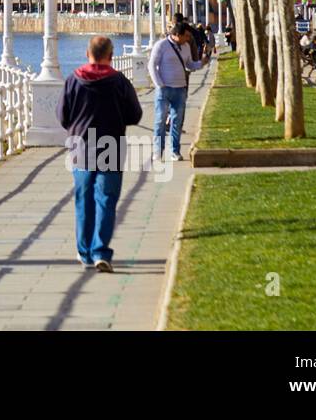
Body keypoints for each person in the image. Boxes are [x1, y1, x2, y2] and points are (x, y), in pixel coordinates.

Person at [56, 35, 142, 273]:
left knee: (84, 200)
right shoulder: (119, 82)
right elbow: (135, 114)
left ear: (87, 53)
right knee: (106, 199)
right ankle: (100, 251)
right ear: (111, 56)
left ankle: (84, 252)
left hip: (80, 149)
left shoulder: (73, 80)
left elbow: (62, 115)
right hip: (110, 146)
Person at [149, 21, 207, 161]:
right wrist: (159, 84)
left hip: (180, 89)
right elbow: (152, 65)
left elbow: (189, 65)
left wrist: (202, 62)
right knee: (160, 120)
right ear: (176, 35)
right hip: (164, 89)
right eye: (186, 36)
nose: (188, 39)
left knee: (177, 121)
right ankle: (158, 151)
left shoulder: (186, 47)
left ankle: (175, 151)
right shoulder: (161, 46)